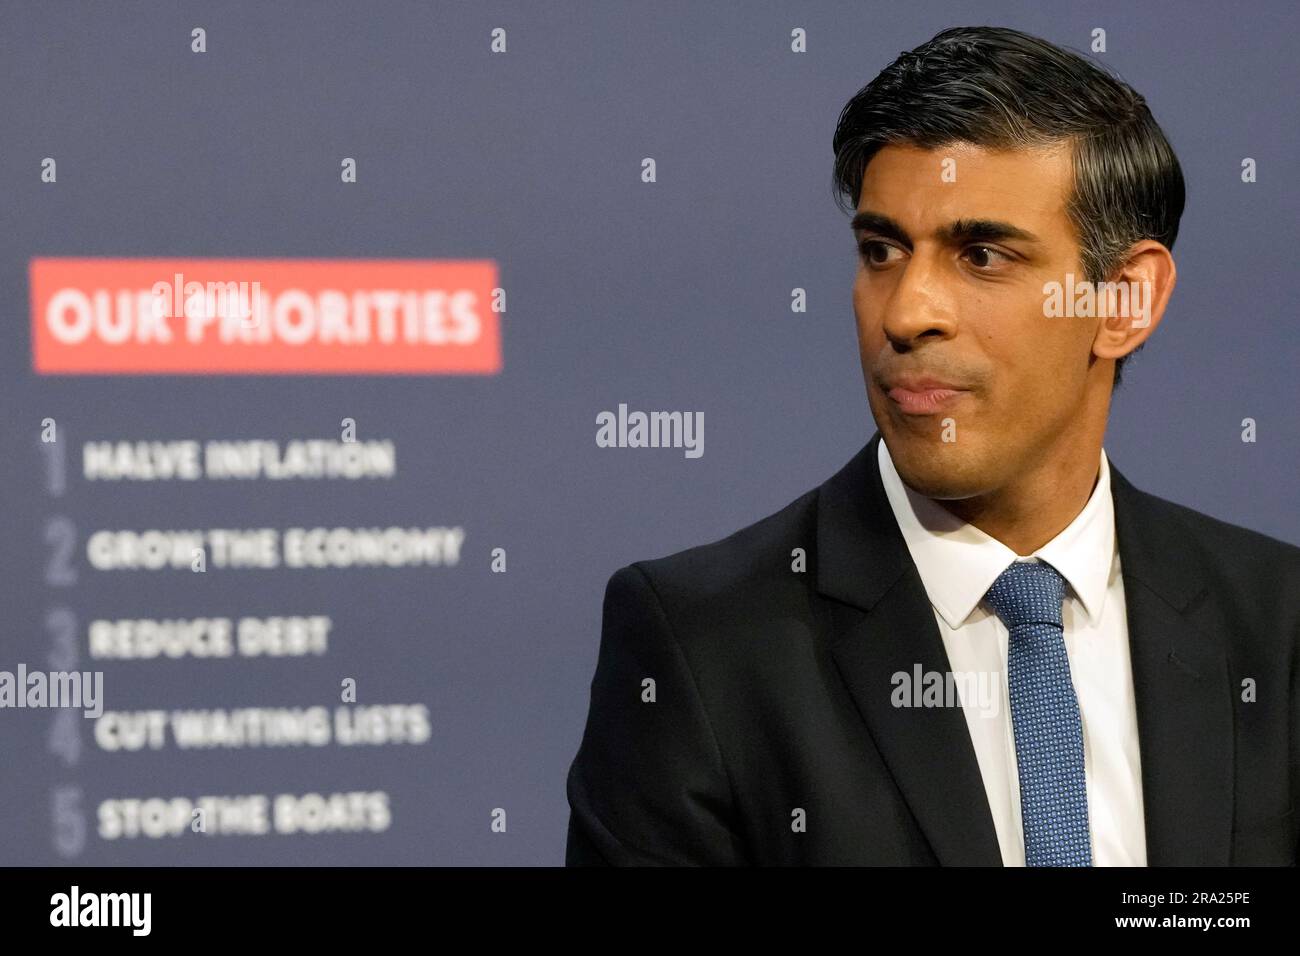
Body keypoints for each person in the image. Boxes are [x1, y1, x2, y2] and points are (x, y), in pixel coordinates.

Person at [564, 25, 1299, 866]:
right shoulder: (703, 646)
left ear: (1126, 300)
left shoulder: (1277, 629)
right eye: (882, 251)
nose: (906, 312)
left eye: (981, 255)